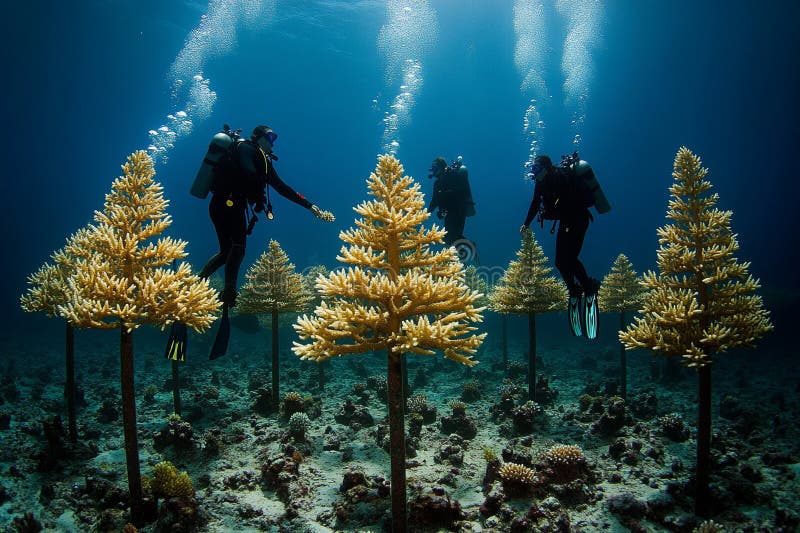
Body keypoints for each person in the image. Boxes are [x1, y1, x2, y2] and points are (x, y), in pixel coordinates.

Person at [198, 125, 334, 307]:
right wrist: (259, 186)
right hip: (228, 205)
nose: (273, 142)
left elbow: (282, 187)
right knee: (237, 248)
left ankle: (198, 282)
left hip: (225, 205)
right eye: (270, 137)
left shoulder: (262, 160)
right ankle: (229, 291)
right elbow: (248, 171)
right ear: (259, 137)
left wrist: (309, 205)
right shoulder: (246, 148)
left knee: (227, 252)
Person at [520, 154, 601, 337]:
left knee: (569, 259)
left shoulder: (559, 178)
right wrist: (526, 224)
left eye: (538, 169)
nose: (534, 172)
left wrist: (550, 212)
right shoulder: (541, 183)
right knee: (559, 261)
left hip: (578, 220)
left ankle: (588, 288)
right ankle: (574, 290)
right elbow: (535, 203)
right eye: (533, 169)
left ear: (547, 168)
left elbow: (569, 204)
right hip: (566, 222)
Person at [428, 156, 476, 247]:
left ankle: (470, 249)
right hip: (448, 213)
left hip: (459, 210)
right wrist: (426, 213)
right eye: (432, 168)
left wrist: (445, 194)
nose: (433, 171)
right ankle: (467, 252)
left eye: (435, 168)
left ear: (441, 167)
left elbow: (462, 191)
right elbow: (434, 200)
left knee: (453, 237)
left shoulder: (453, 175)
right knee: (448, 238)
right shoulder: (437, 183)